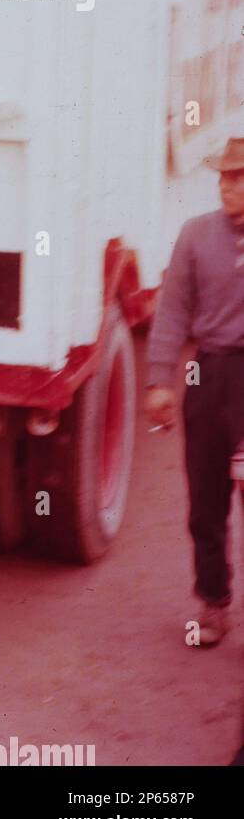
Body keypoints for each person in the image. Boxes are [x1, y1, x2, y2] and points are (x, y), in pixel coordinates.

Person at [145, 136, 244, 648]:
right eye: (224, 176)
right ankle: (212, 603)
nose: (228, 185)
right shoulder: (195, 235)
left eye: (238, 177)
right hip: (208, 378)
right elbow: (172, 311)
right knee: (206, 499)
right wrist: (160, 380)